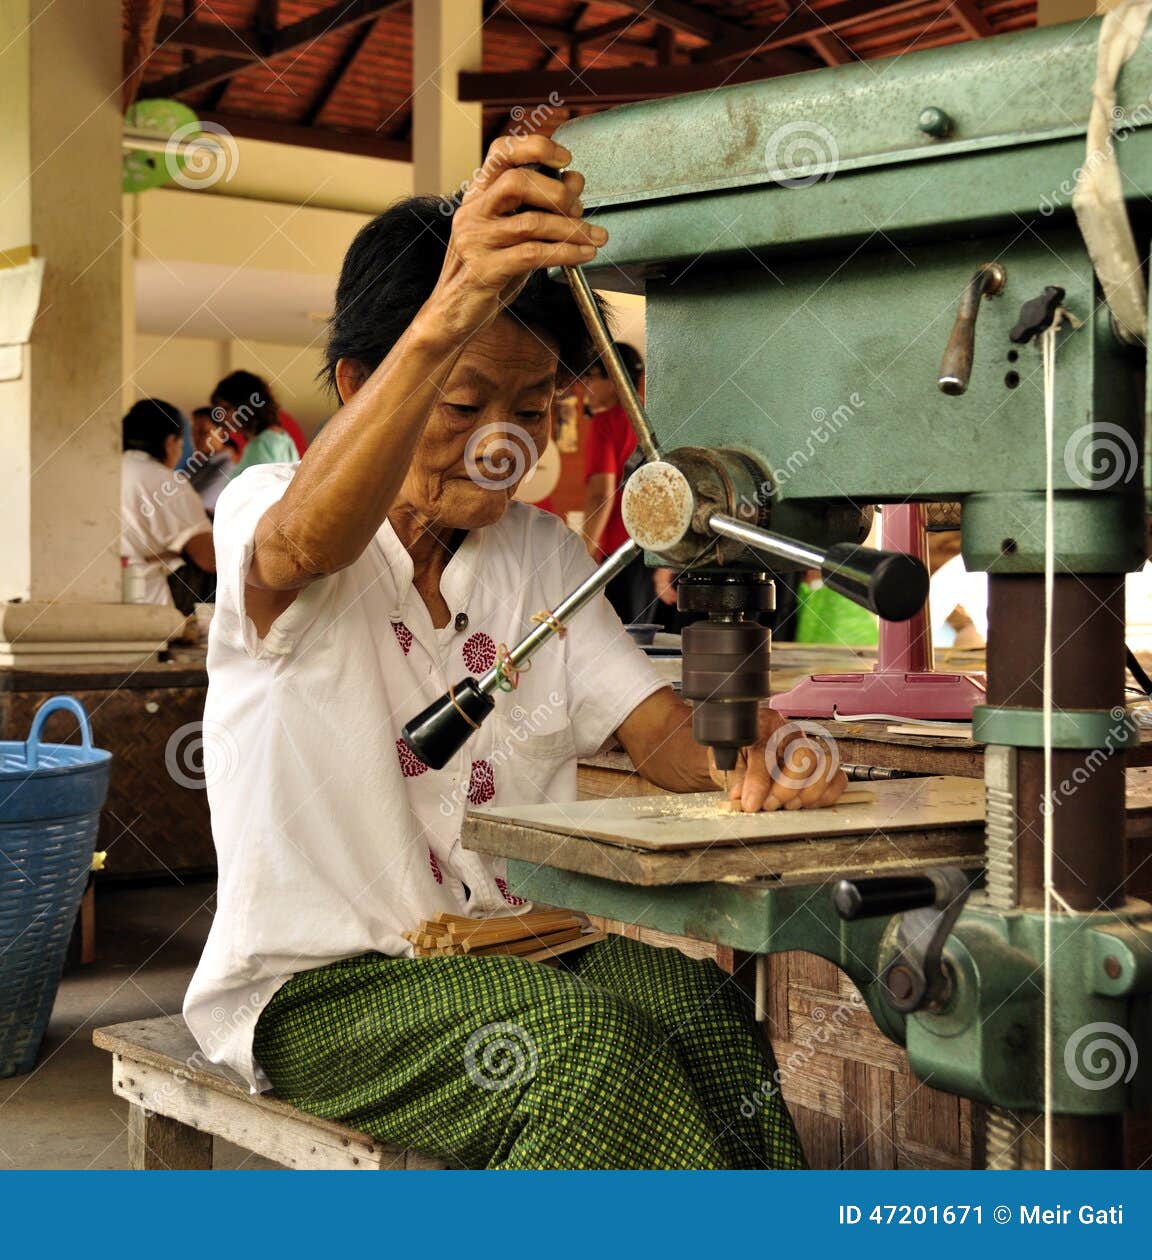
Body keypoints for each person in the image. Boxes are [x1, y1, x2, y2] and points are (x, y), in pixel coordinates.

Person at [183, 135, 847, 1171]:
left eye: (533, 410)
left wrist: (752, 749)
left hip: (520, 944)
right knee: (581, 1057)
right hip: (324, 988)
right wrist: (453, 299)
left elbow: (659, 733)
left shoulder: (537, 550)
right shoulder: (275, 508)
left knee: (701, 1007)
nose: (505, 443)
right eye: (461, 404)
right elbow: (299, 547)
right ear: (366, 382)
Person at [578, 349, 654, 623]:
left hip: (619, 554)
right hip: (655, 553)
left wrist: (584, 555)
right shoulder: (651, 418)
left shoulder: (606, 422)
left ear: (615, 378)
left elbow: (600, 493)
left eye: (592, 376)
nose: (586, 385)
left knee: (617, 640)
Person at [120, 399, 216, 608]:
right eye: (181, 444)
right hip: (146, 601)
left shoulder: (103, 470)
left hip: (95, 594)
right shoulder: (167, 482)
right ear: (170, 442)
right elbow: (209, 558)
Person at [212, 370, 302, 474]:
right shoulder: (281, 438)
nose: (223, 417)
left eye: (227, 408)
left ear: (246, 406)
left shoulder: (262, 445)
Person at [185, 405, 236, 515]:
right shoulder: (196, 462)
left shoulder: (228, 466)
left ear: (222, 433)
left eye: (204, 432)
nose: (196, 438)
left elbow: (199, 504)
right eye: (193, 432)